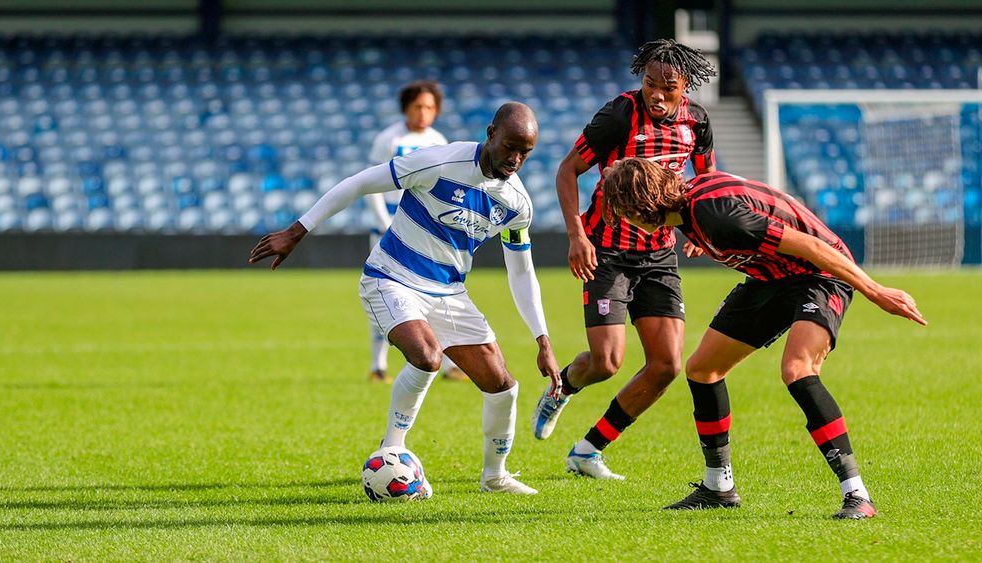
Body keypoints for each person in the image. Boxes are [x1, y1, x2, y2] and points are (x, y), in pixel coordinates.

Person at [249, 102, 560, 495]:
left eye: (525, 152)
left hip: (449, 292)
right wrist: (298, 229)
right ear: (491, 132)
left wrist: (542, 338)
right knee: (427, 357)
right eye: (510, 146)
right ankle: (392, 450)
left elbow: (521, 271)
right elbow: (361, 182)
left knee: (503, 386)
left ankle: (495, 477)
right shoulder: (438, 162)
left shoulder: (517, 204)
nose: (516, 159)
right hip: (390, 277)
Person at [600, 157, 927, 518]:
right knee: (702, 369)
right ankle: (718, 487)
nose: (623, 220)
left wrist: (874, 290)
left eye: (622, 211)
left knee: (798, 369)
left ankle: (857, 495)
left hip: (818, 275)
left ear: (641, 206)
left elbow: (814, 247)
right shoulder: (694, 208)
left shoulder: (717, 217)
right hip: (772, 278)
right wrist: (700, 237)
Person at [532, 39, 718, 480]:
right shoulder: (619, 115)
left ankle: (588, 449)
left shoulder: (698, 121)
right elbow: (566, 170)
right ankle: (564, 385)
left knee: (668, 365)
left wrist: (699, 229)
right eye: (650, 84)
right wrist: (577, 234)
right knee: (606, 363)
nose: (656, 94)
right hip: (607, 253)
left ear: (685, 86)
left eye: (667, 87)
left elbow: (705, 175)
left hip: (658, 255)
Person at [365, 80, 468, 383]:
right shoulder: (389, 139)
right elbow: (370, 183)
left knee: (436, 294)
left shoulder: (438, 140)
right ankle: (377, 365)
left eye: (430, 108)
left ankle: (450, 365)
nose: (424, 113)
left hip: (426, 232)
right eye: (418, 107)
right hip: (390, 231)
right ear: (406, 108)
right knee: (385, 291)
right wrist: (383, 222)